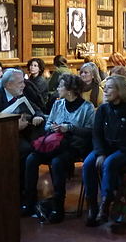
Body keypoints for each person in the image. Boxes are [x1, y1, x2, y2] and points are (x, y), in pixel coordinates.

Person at [22, 74, 95, 222]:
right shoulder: (58, 104)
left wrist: (69, 128)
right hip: (54, 143)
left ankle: (58, 205)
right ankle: (29, 201)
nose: (57, 88)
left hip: (73, 146)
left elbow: (90, 131)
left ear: (70, 90)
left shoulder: (87, 107)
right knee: (31, 159)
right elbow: (48, 124)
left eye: (61, 86)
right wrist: (54, 128)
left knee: (57, 162)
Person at [83, 75, 126, 226]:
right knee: (88, 164)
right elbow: (96, 134)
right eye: (105, 87)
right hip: (106, 147)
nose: (105, 90)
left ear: (120, 90)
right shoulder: (103, 109)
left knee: (110, 162)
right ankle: (92, 207)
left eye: (109, 87)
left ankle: (106, 204)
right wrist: (100, 153)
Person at [0, 68, 46, 206]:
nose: (24, 85)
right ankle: (19, 193)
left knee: (33, 153)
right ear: (8, 85)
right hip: (3, 140)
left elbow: (39, 111)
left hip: (25, 137)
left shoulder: (23, 97)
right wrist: (13, 127)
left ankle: (29, 194)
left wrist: (37, 117)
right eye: (20, 83)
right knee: (26, 152)